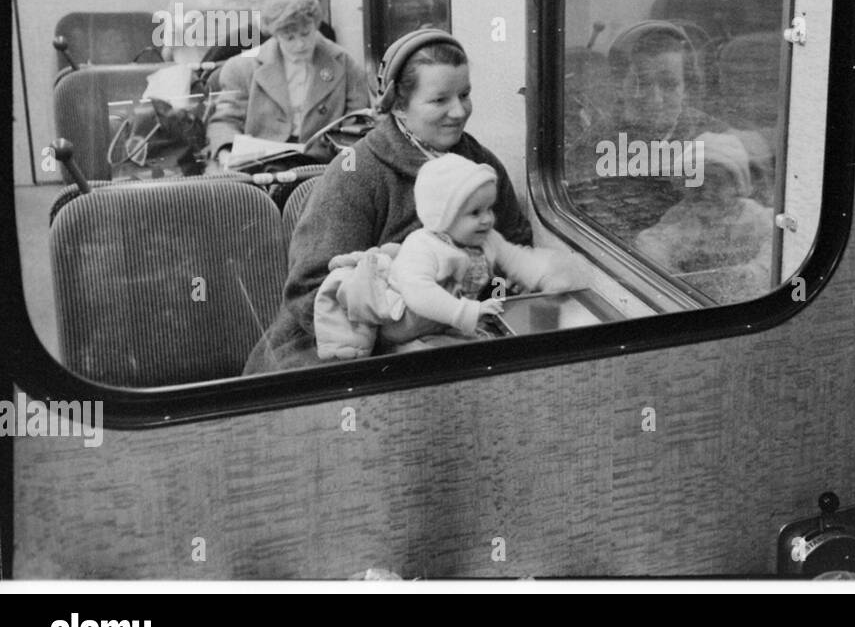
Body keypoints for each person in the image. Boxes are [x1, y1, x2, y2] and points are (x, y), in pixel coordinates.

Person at [244, 27, 533, 374]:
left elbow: (514, 245)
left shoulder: (480, 165)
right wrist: (402, 327)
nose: (459, 112)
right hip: (341, 347)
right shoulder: (356, 173)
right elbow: (308, 291)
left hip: (451, 336)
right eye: (440, 100)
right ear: (398, 104)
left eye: (465, 94)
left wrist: (495, 299)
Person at [313, 154, 578, 360]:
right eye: (475, 213)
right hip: (402, 324)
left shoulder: (486, 239)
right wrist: (465, 312)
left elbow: (517, 260)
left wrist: (546, 276)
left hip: (441, 321)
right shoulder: (423, 246)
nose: (488, 219)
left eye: (489, 208)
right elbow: (419, 293)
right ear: (442, 217)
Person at [565, 21, 729, 239]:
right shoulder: (591, 147)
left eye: (669, 84)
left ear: (687, 88)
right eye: (641, 83)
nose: (655, 99)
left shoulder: (713, 137)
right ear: (618, 85)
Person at [206, 0, 369, 168]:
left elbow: (357, 120)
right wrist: (225, 152)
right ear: (274, 34)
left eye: (306, 34)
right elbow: (225, 121)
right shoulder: (242, 68)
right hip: (260, 166)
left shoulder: (344, 63)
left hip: (322, 166)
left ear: (316, 24)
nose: (300, 44)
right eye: (289, 37)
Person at [633, 131, 773, 302]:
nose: (706, 190)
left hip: (742, 295)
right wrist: (671, 270)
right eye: (697, 181)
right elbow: (651, 241)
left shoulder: (754, 216)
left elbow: (775, 246)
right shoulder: (684, 213)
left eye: (717, 182)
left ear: (737, 186)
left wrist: (751, 273)